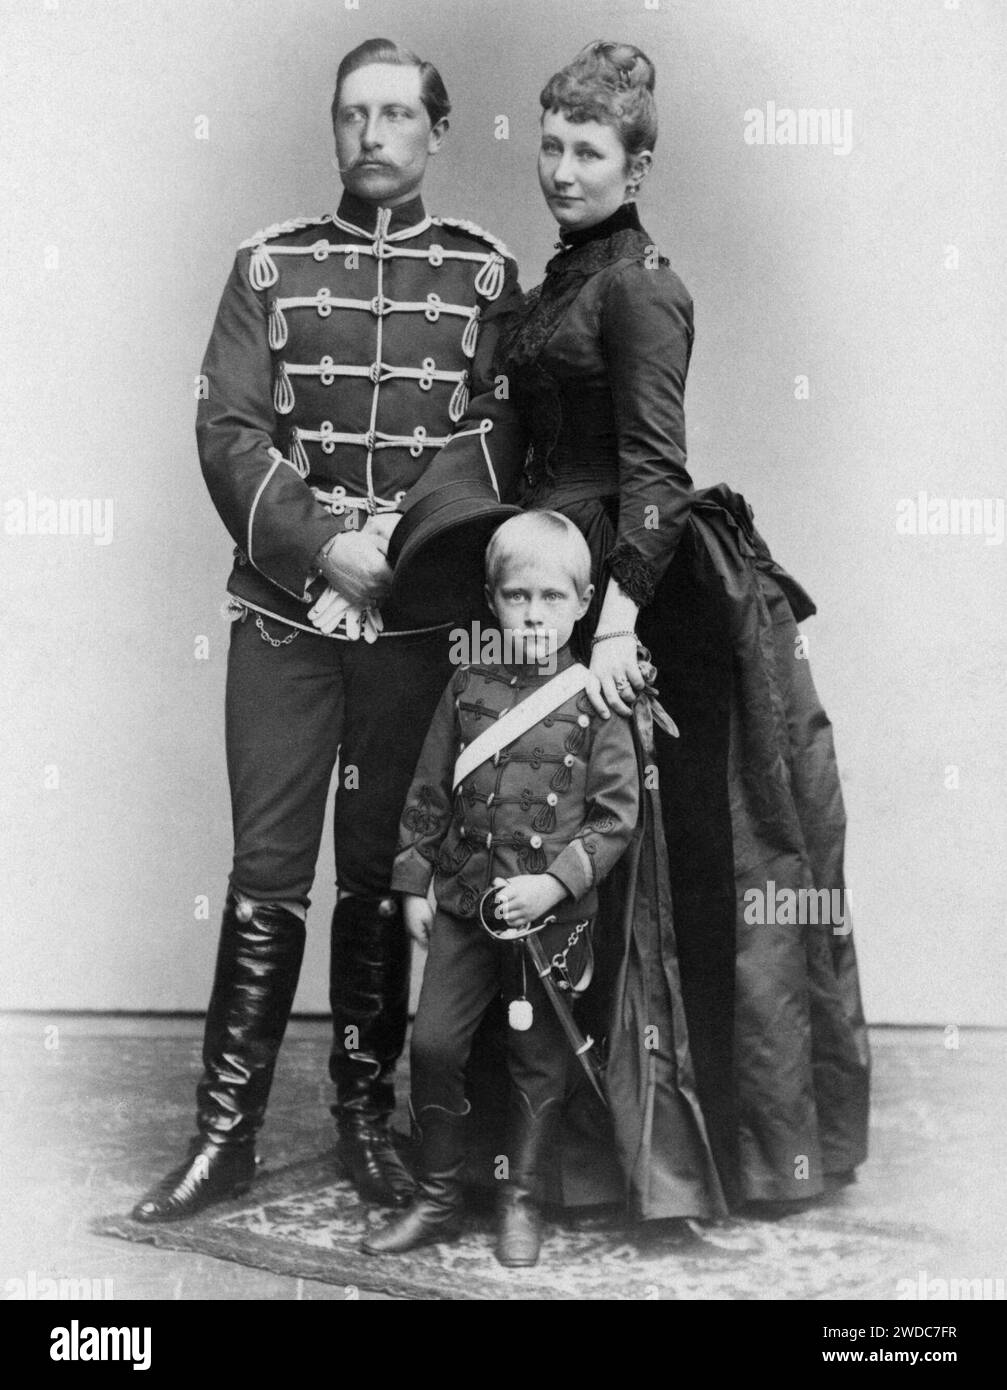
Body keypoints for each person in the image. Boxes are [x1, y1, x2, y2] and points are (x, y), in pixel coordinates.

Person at [130, 38, 524, 1223]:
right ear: (334, 127)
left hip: (413, 626)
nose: (372, 133)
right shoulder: (267, 266)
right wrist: (316, 548)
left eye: (397, 112)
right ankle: (224, 1136)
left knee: (374, 874)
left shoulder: (487, 278)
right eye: (353, 113)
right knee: (264, 877)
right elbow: (227, 431)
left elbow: (498, 436)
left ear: (436, 132)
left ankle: (363, 1120)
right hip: (285, 618)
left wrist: (401, 552)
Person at [495, 41, 870, 1210]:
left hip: (630, 592)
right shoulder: (562, 278)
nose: (560, 168)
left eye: (587, 150)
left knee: (645, 855)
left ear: (636, 163)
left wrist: (612, 622)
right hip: (551, 573)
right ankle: (556, 1151)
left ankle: (672, 1158)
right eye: (549, 145)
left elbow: (656, 472)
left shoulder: (643, 284)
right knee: (552, 839)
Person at [360, 512, 639, 1266]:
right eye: (517, 597)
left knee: (537, 1062)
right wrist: (416, 882)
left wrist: (553, 887)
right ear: (492, 600)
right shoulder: (465, 685)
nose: (534, 613)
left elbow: (615, 819)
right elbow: (427, 793)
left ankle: (522, 1200)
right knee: (434, 1046)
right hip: (463, 902)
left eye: (553, 597)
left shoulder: (594, 697)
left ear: (583, 604)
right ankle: (438, 1198)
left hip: (548, 925)